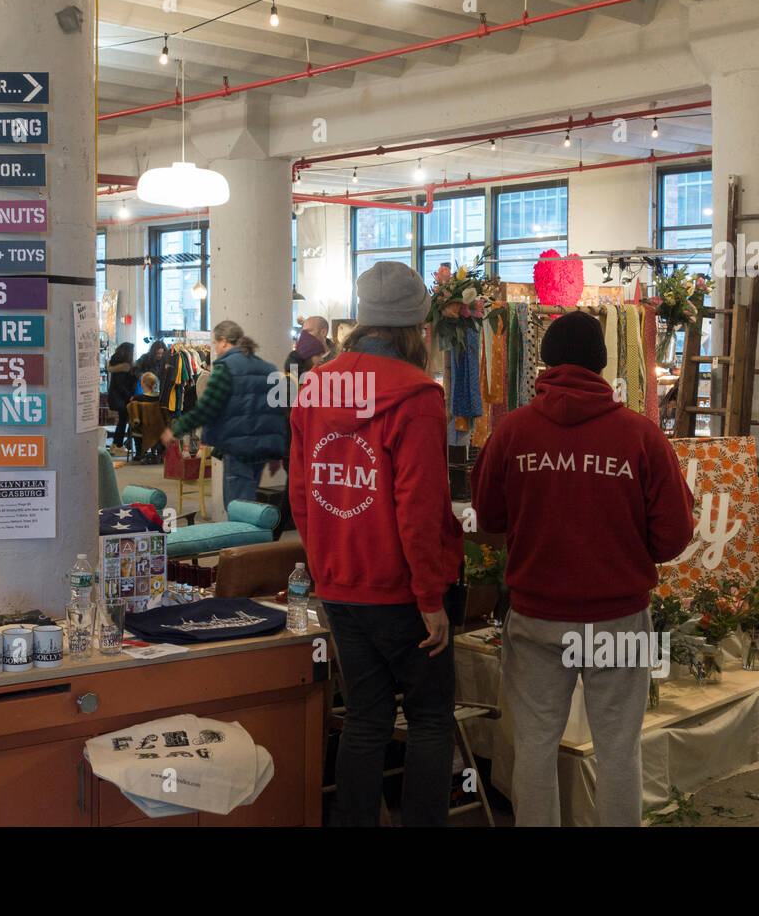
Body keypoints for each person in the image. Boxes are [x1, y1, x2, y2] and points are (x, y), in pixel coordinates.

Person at [470, 311, 695, 826]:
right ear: (603, 363)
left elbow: (486, 516)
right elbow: (674, 535)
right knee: (619, 749)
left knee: (534, 746)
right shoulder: (640, 436)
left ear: (544, 362)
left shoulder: (512, 433)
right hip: (618, 617)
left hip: (536, 616)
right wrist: (622, 549)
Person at [289, 261, 463, 827]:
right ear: (417, 326)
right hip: (400, 590)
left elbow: (301, 491)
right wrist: (431, 596)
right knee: (431, 718)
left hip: (339, 582)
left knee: (365, 717)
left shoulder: (316, 384)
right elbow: (419, 507)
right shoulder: (418, 394)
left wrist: (322, 564)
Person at [161, 320, 286, 507]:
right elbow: (277, 413)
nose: (216, 349)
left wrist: (176, 429)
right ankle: (253, 534)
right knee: (250, 502)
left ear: (224, 342)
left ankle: (247, 535)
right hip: (261, 450)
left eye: (216, 343)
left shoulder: (225, 368)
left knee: (237, 506)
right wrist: (277, 452)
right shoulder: (267, 368)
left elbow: (207, 407)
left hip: (237, 447)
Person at [106, 342, 137, 453]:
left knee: (122, 421)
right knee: (123, 421)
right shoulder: (124, 367)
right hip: (122, 398)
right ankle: (119, 445)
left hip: (116, 396)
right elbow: (121, 385)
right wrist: (129, 396)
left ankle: (115, 444)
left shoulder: (115, 364)